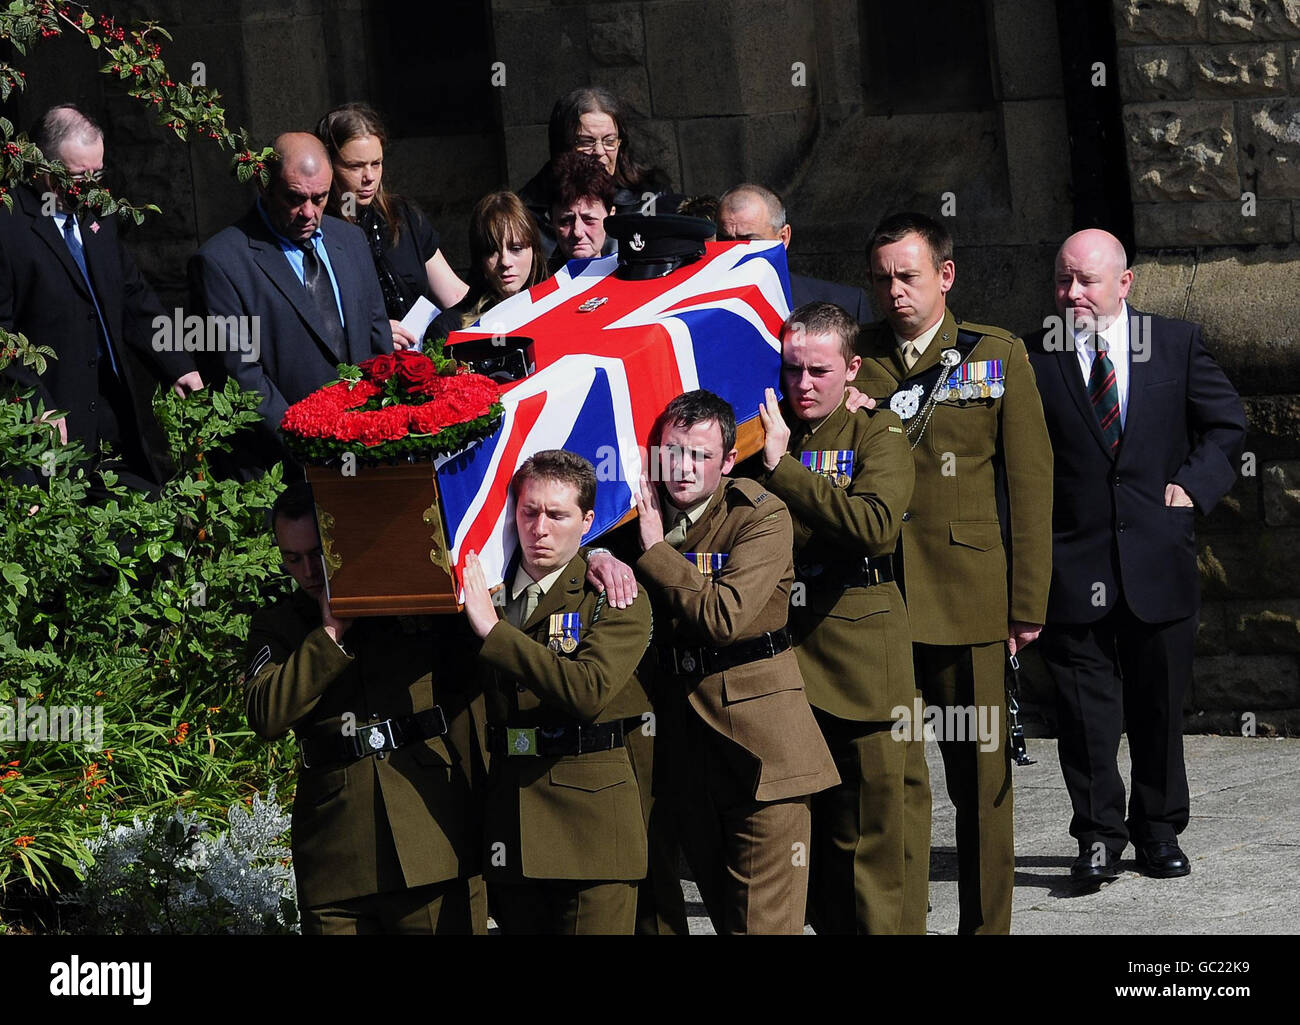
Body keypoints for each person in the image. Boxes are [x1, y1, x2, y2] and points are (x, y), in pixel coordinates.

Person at [850, 211, 1054, 934]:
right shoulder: (854, 357)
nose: (894, 292)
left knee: (982, 786)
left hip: (968, 599)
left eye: (908, 276)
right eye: (881, 279)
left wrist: (1026, 603)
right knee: (894, 785)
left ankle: (985, 928)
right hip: (876, 603)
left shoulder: (995, 354)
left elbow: (1030, 485)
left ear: (945, 275)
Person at [1025, 229, 1246, 882]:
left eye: (1086, 281)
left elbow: (1226, 422)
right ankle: (1097, 838)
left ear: (1123, 284)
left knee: (1158, 707)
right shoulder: (1033, 358)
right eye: (1062, 280)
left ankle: (1158, 830)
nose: (1071, 294)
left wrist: (1194, 486)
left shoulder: (1174, 344)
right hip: (1073, 563)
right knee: (1085, 719)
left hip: (1157, 559)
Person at [632, 389, 839, 934]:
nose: (681, 468)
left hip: (762, 751)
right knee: (729, 917)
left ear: (727, 462)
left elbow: (725, 616)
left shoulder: (760, 515)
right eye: (671, 452)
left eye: (699, 456)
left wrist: (655, 553)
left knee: (761, 925)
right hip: (685, 753)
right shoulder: (631, 517)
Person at [243, 483, 487, 934]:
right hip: (337, 850)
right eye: (292, 558)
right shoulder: (278, 624)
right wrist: (329, 636)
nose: (307, 570)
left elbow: (481, 647)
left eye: (316, 553)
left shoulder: (406, 594)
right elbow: (267, 713)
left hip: (430, 832)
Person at [755, 301, 924, 934]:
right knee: (809, 840)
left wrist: (782, 470)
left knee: (871, 840)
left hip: (858, 655)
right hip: (784, 657)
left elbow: (876, 527)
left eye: (819, 371)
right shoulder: (763, 431)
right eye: (792, 368)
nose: (803, 385)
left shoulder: (877, 434)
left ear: (852, 369)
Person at [460, 450, 652, 935]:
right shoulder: (487, 592)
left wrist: (493, 632)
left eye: (557, 515)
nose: (539, 528)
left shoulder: (614, 594)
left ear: (587, 520)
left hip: (590, 826)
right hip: (512, 823)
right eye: (528, 512)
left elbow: (589, 690)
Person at [0, 104, 203, 491]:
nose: (89, 188)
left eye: (97, 174)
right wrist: (33, 400)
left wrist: (176, 363)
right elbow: (1, 333)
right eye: (77, 177)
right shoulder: (9, 226)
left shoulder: (98, 215)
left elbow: (131, 296)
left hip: (115, 422)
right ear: (42, 167)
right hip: (51, 431)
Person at [188, 132, 392, 474]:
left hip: (367, 456)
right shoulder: (221, 262)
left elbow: (377, 338)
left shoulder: (351, 241)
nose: (308, 213)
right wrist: (313, 448)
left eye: (321, 198)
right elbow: (242, 377)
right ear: (264, 187)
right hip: (281, 470)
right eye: (295, 198)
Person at [315, 103, 469, 348]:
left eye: (376, 163)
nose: (370, 177)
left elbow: (455, 294)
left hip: (423, 358)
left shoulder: (403, 215)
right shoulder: (314, 232)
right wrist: (372, 332)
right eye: (355, 166)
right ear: (329, 164)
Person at [518, 86, 673, 258]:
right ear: (561, 146)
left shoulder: (651, 199)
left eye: (609, 140)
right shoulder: (525, 212)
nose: (599, 151)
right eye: (586, 141)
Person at [716, 184, 872, 322]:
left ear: (783, 238)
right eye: (725, 240)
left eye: (749, 241)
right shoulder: (699, 307)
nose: (735, 251)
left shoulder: (845, 304)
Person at [429, 191, 549, 337]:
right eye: (492, 251)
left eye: (516, 248)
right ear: (479, 257)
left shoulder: (557, 308)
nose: (505, 262)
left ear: (534, 250)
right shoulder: (449, 329)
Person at [546, 151, 617, 274]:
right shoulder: (538, 285)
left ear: (610, 217)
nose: (577, 232)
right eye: (566, 221)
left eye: (589, 219)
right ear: (552, 220)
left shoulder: (632, 276)